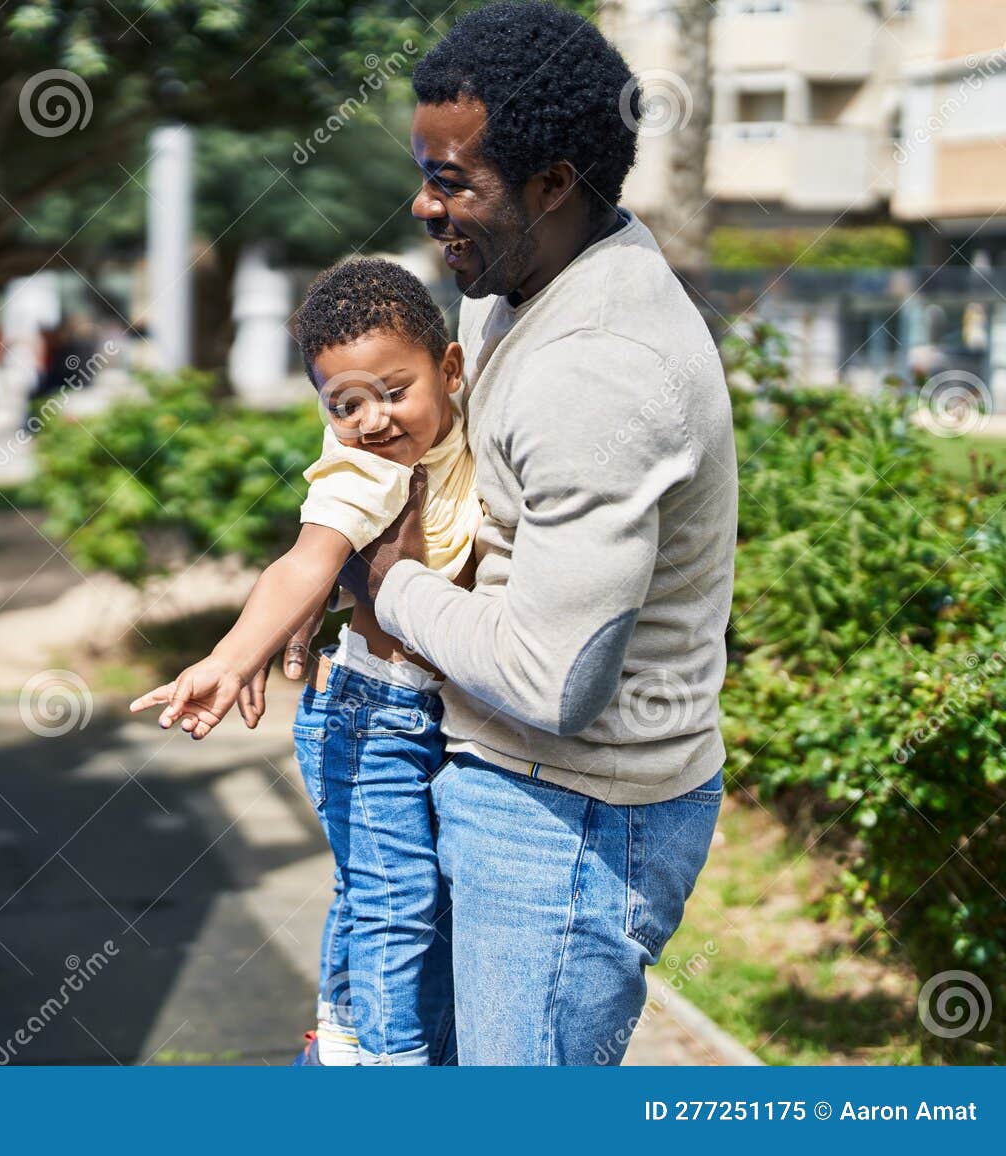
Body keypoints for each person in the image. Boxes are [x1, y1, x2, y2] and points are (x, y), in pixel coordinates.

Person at [278, 1, 738, 1065]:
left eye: (451, 180)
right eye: (424, 169)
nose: (422, 202)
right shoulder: (513, 288)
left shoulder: (600, 366)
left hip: (567, 817)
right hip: (481, 761)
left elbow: (553, 678)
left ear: (552, 184)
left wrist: (375, 579)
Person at [131, 258, 479, 1065]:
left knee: (383, 894)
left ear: (451, 369)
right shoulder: (365, 469)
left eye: (396, 391)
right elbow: (303, 564)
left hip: (440, 714)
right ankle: (395, 1070)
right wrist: (230, 656)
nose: (375, 419)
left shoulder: (476, 422)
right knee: (397, 901)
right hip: (375, 717)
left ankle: (340, 1048)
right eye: (345, 404)